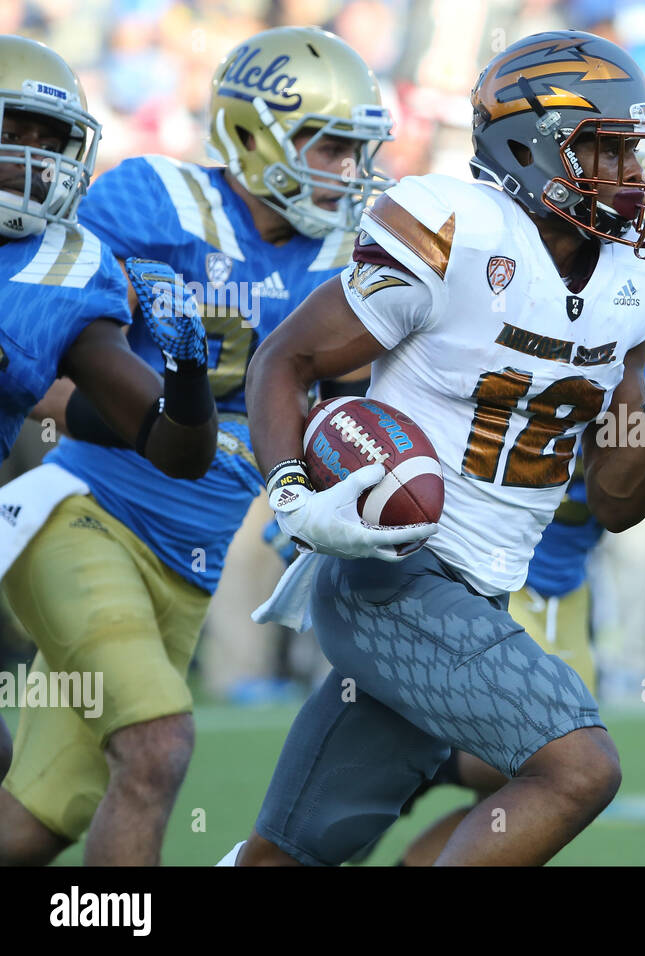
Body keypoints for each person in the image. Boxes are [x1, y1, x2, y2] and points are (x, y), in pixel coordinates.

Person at [223, 30, 645, 867]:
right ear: (532, 151)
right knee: (579, 768)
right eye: (605, 151)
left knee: (291, 855)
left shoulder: (640, 279)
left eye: (633, 151)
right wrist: (292, 494)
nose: (630, 174)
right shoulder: (453, 227)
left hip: (482, 589)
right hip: (389, 573)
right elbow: (288, 358)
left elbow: (613, 500)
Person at [0, 25, 393, 866]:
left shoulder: (343, 254)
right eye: (329, 148)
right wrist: (127, 411)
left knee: (35, 820)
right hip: (89, 518)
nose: (346, 173)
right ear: (252, 136)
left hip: (193, 560)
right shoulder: (153, 203)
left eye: (356, 153)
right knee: (156, 751)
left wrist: (338, 499)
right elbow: (54, 353)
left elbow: (340, 418)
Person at [388, 180, 645, 866]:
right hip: (477, 560)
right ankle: (392, 770)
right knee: (536, 753)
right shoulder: (546, 314)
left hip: (562, 580)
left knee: (533, 768)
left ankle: (405, 774)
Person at [0, 33, 217, 794]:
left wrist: (188, 368)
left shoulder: (61, 266)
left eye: (48, 138)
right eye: (12, 132)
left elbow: (172, 446)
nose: (32, 158)